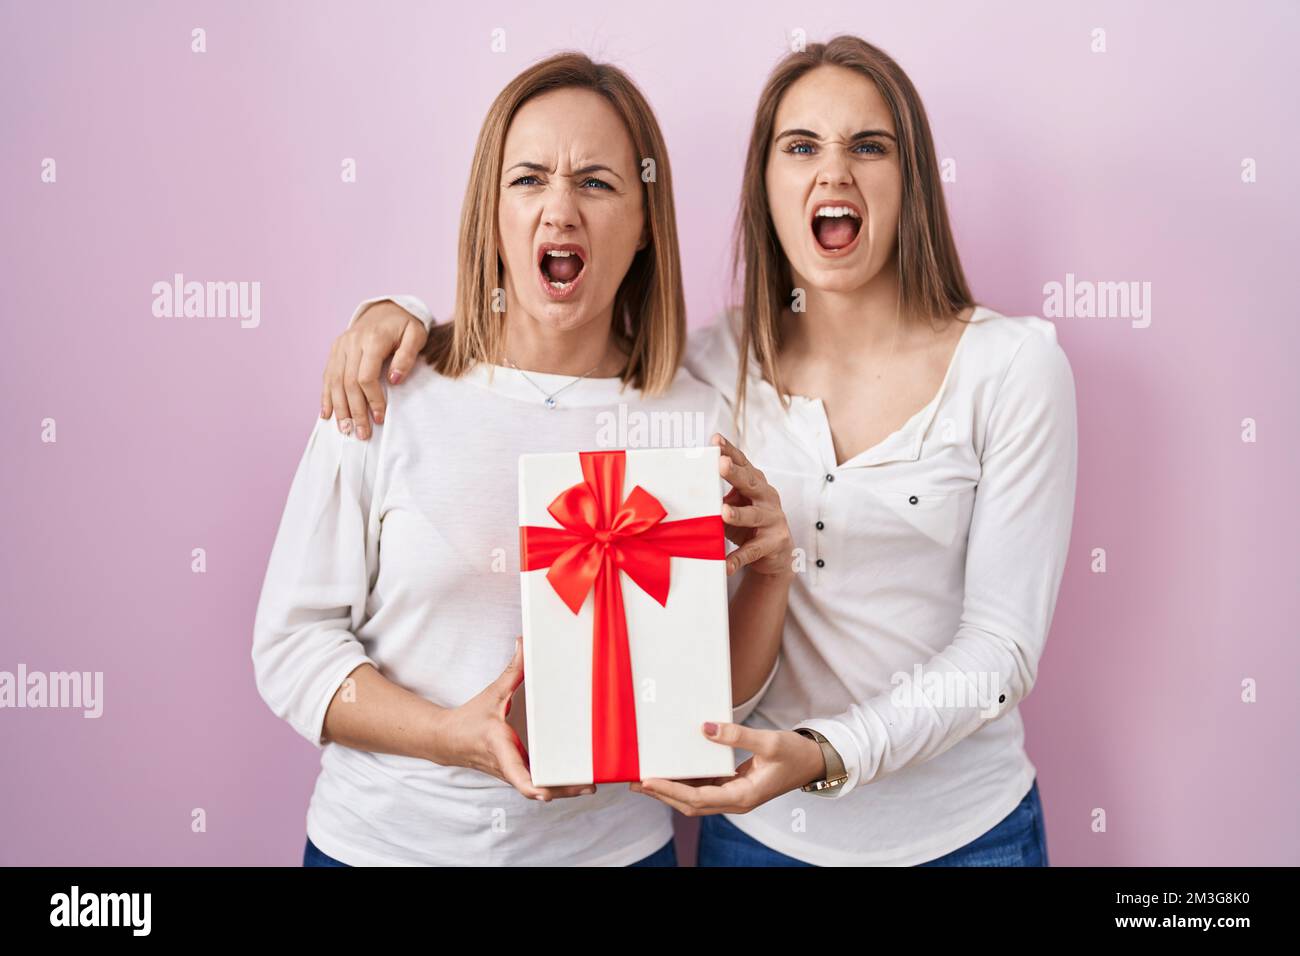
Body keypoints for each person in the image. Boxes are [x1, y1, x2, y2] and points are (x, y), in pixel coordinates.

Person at [326, 35, 1077, 867]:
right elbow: (558, 369)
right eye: (801, 148)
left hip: (964, 835)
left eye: (870, 146)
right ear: (766, 187)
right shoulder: (706, 377)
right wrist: (395, 316)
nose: (834, 175)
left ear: (914, 183)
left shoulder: (1014, 368)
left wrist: (829, 753)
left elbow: (1001, 649)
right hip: (755, 839)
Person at [253, 52, 795, 867]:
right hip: (382, 848)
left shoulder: (695, 420)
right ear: (491, 211)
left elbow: (717, 697)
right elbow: (292, 649)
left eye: (598, 183)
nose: (559, 211)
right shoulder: (388, 389)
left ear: (647, 222)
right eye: (530, 179)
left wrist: (769, 572)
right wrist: (448, 736)